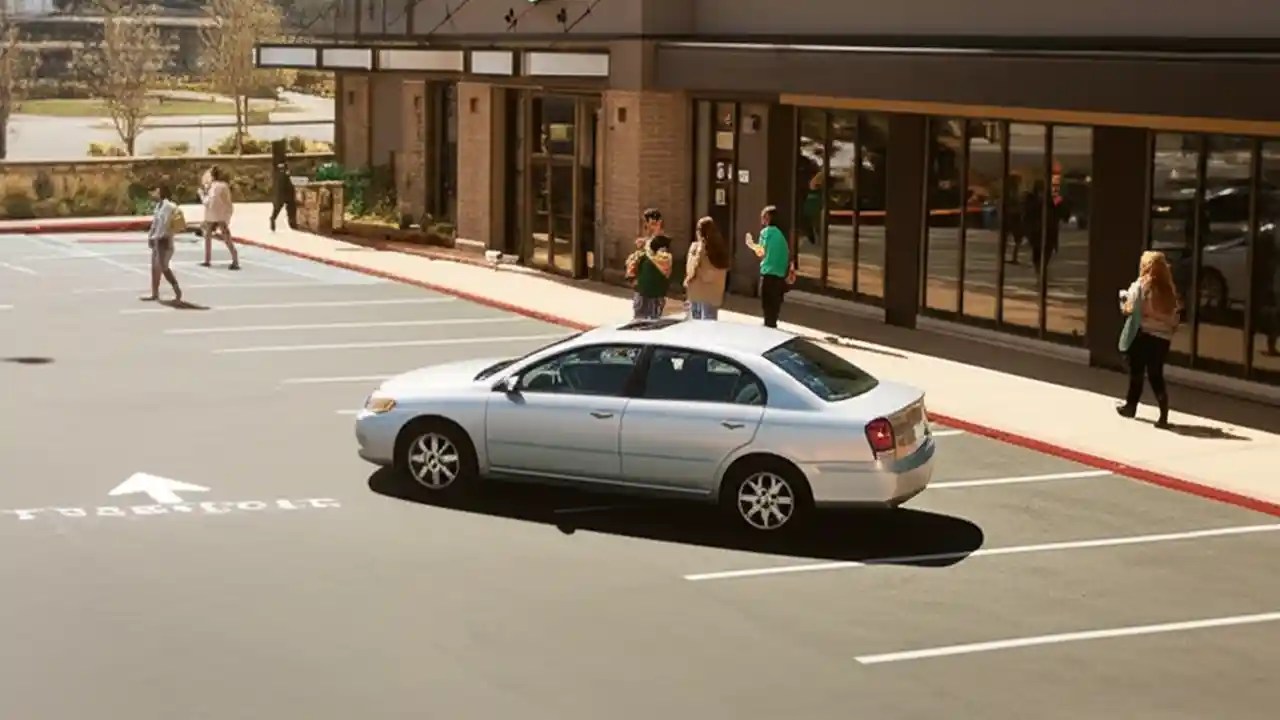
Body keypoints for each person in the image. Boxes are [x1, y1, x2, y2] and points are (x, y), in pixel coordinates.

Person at [1117, 250, 1181, 429]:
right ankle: (1163, 414)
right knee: (1155, 375)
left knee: (1136, 372)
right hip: (1162, 340)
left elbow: (1129, 308)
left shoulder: (1141, 286)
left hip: (1144, 335)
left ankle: (1131, 406)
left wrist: (1123, 300)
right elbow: (1175, 319)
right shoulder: (1170, 291)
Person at [745, 205, 792, 328]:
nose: (762, 220)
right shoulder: (781, 235)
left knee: (767, 305)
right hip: (780, 275)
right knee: (775, 307)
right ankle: (772, 325)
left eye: (763, 217)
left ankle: (768, 328)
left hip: (768, 274)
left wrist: (751, 244)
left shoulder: (766, 232)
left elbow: (761, 252)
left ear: (768, 218)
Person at [140, 183, 182, 304]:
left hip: (164, 240)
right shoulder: (159, 206)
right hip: (157, 240)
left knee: (163, 267)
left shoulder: (168, 206)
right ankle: (155, 293)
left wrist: (158, 236)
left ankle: (177, 290)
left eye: (156, 191)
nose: (154, 194)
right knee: (155, 268)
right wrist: (151, 236)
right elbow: (155, 223)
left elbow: (165, 224)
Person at [684, 216, 731, 320]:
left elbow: (691, 269)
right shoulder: (721, 249)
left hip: (697, 292)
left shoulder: (698, 248)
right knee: (709, 327)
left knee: (695, 328)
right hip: (714, 295)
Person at [199, 166, 239, 270]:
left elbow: (210, 201)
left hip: (214, 214)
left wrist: (202, 195)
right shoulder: (224, 185)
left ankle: (208, 260)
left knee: (209, 235)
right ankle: (235, 258)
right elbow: (227, 201)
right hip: (221, 213)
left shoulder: (215, 187)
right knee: (225, 236)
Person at [269, 162, 297, 232]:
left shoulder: (282, 174)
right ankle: (291, 221)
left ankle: (291, 221)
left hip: (285, 192)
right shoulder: (282, 174)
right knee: (281, 206)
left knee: (288, 206)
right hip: (283, 192)